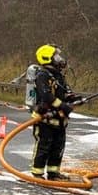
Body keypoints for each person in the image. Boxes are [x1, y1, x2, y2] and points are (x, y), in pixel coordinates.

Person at [29, 44, 78, 180]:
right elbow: (47, 96)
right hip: (45, 119)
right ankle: (37, 173)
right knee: (44, 146)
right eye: (56, 56)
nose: (60, 59)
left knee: (58, 147)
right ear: (47, 58)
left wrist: (73, 98)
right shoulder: (42, 75)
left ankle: (53, 172)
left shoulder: (58, 75)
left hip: (60, 119)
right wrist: (63, 105)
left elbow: (64, 91)